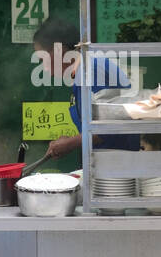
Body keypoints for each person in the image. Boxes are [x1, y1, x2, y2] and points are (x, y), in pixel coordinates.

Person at [31, 18, 136, 159]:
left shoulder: (92, 70)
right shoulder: (81, 73)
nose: (44, 67)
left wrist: (70, 143)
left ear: (59, 51)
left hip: (120, 161)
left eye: (43, 59)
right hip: (106, 160)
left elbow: (109, 128)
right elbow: (96, 124)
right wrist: (70, 140)